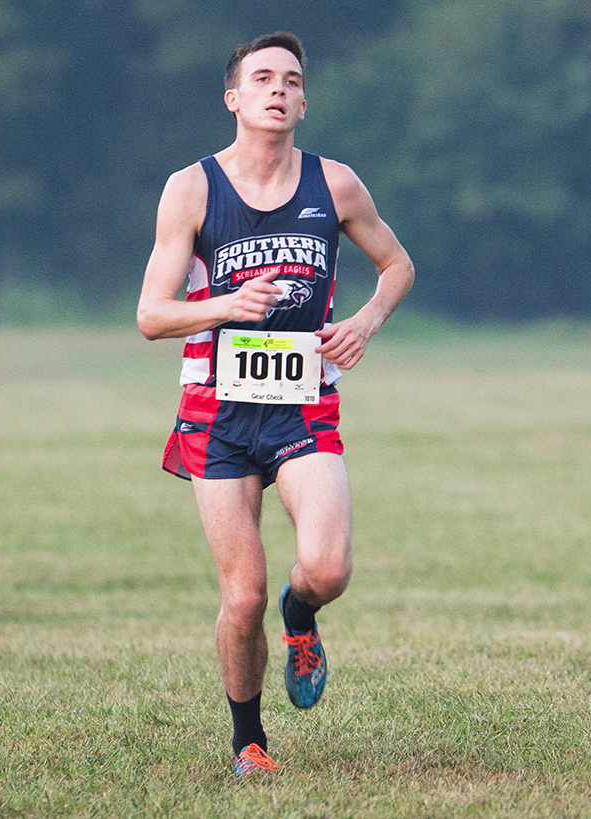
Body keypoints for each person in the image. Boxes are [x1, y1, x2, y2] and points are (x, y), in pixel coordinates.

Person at [136, 31, 414, 780]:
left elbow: (396, 264)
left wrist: (363, 321)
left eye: (292, 80)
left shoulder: (337, 185)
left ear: (303, 100)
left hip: (302, 408)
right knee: (242, 590)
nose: (279, 89)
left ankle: (302, 620)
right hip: (216, 416)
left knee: (325, 567)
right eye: (262, 78)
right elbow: (152, 315)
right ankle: (248, 739)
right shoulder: (191, 188)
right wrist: (228, 302)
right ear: (234, 98)